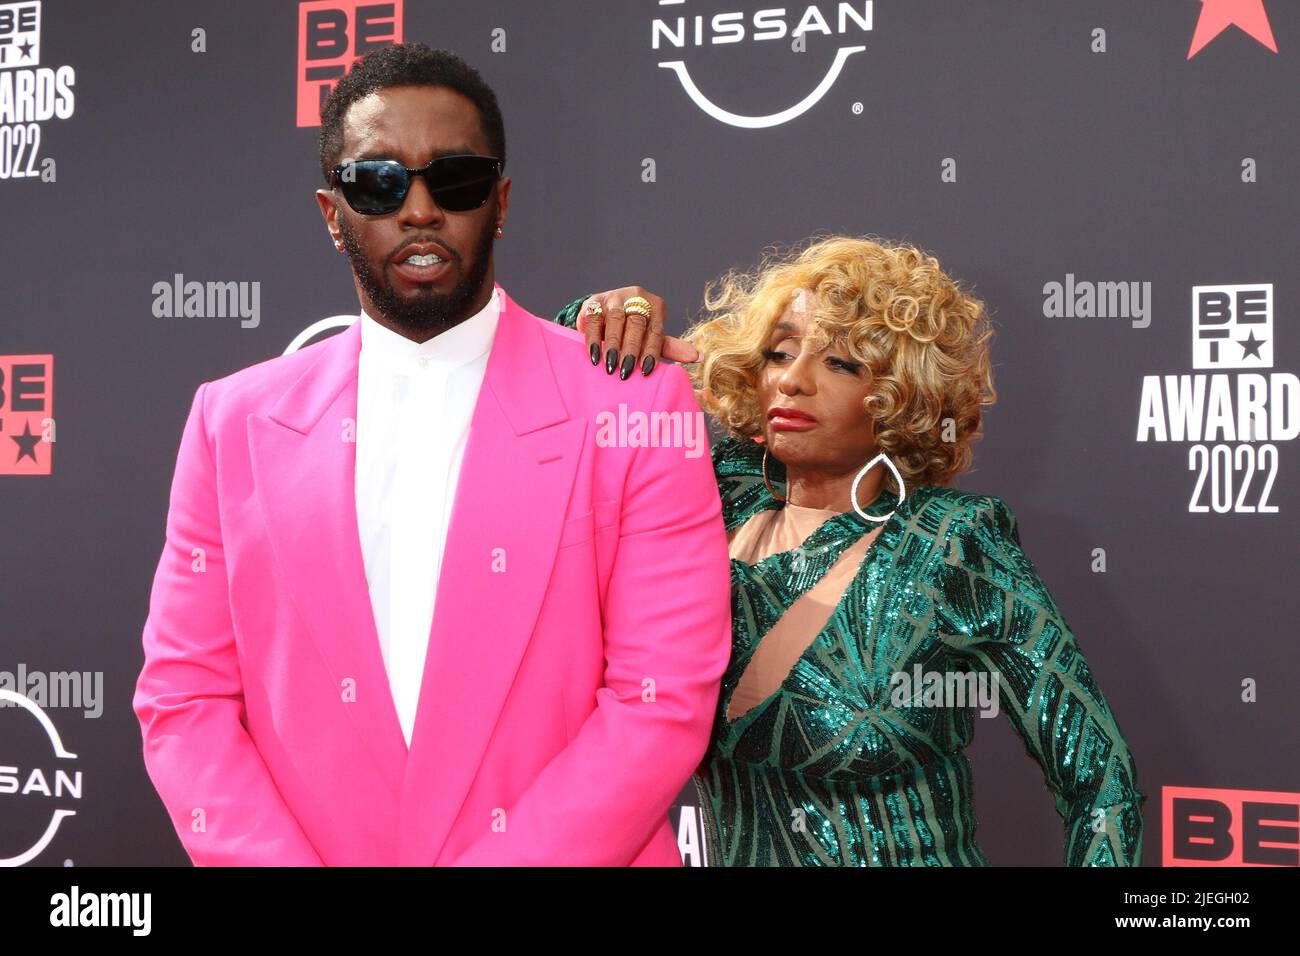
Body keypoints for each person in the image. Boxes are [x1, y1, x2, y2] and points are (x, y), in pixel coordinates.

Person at [132, 42, 731, 866]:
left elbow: (658, 705)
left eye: (454, 179)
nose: (419, 210)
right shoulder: (229, 422)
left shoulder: (634, 404)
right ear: (330, 213)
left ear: (501, 200)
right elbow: (185, 699)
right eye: (377, 182)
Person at [552, 236, 1146, 865]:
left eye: (841, 364)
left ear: (900, 394)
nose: (793, 379)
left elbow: (1100, 783)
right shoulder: (714, 493)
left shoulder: (952, 542)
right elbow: (563, 385)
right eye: (779, 352)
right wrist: (613, 315)